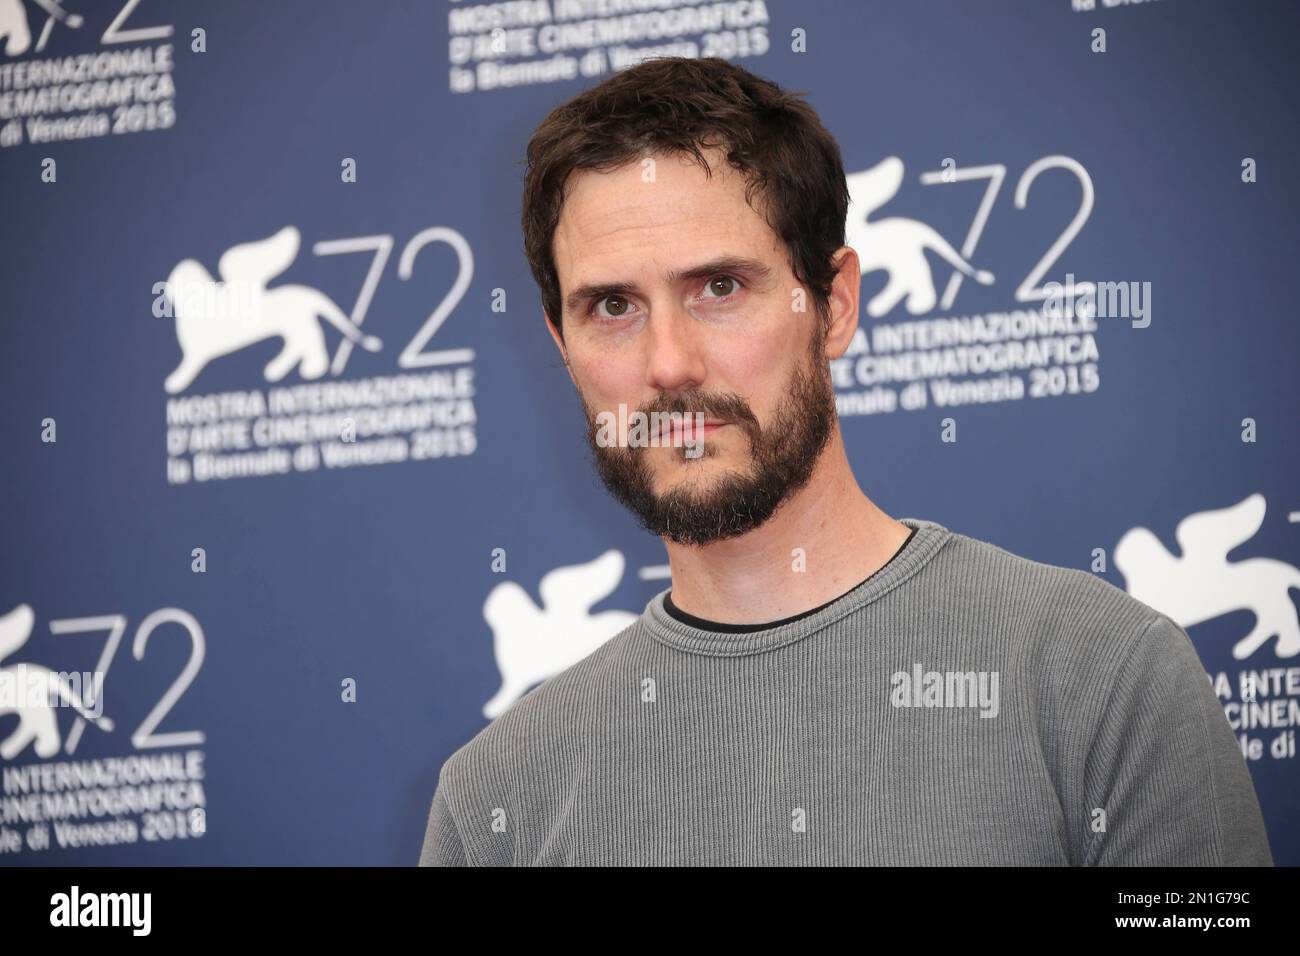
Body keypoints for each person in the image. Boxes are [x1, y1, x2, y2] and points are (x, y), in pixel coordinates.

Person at [419, 57, 1272, 866]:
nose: (669, 363)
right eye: (612, 306)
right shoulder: (497, 801)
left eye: (720, 287)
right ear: (562, 347)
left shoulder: (1104, 677)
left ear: (834, 306)